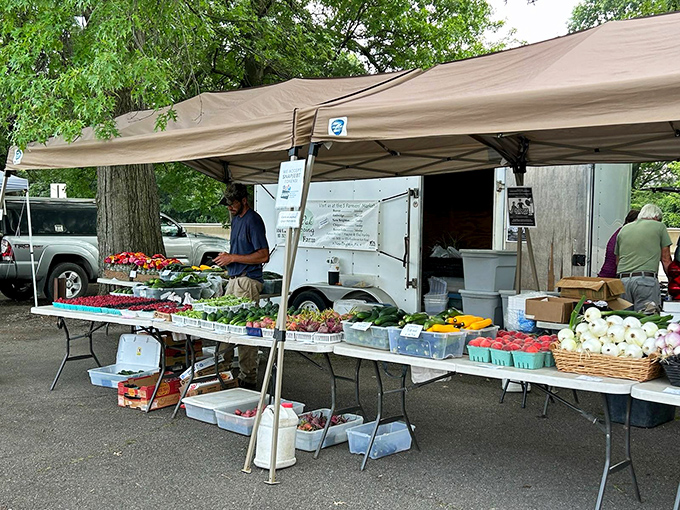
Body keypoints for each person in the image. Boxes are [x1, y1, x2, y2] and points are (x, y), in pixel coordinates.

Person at [214, 183, 270, 390]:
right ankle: (225, 372)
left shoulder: (253, 220)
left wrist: (233, 258)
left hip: (247, 281)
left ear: (243, 200)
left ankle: (248, 377)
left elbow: (264, 255)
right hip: (235, 279)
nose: (229, 207)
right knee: (225, 328)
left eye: (232, 203)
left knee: (246, 332)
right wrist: (226, 259)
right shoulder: (236, 220)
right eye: (227, 204)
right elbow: (239, 253)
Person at [615, 203, 672, 311]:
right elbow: (666, 259)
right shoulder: (659, 227)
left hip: (622, 282)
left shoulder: (624, 229)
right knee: (647, 321)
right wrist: (672, 281)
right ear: (656, 217)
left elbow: (617, 261)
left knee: (625, 323)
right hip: (645, 282)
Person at [598, 209, 639, 278]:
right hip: (612, 275)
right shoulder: (625, 234)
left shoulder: (620, 231)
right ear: (629, 222)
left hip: (608, 274)